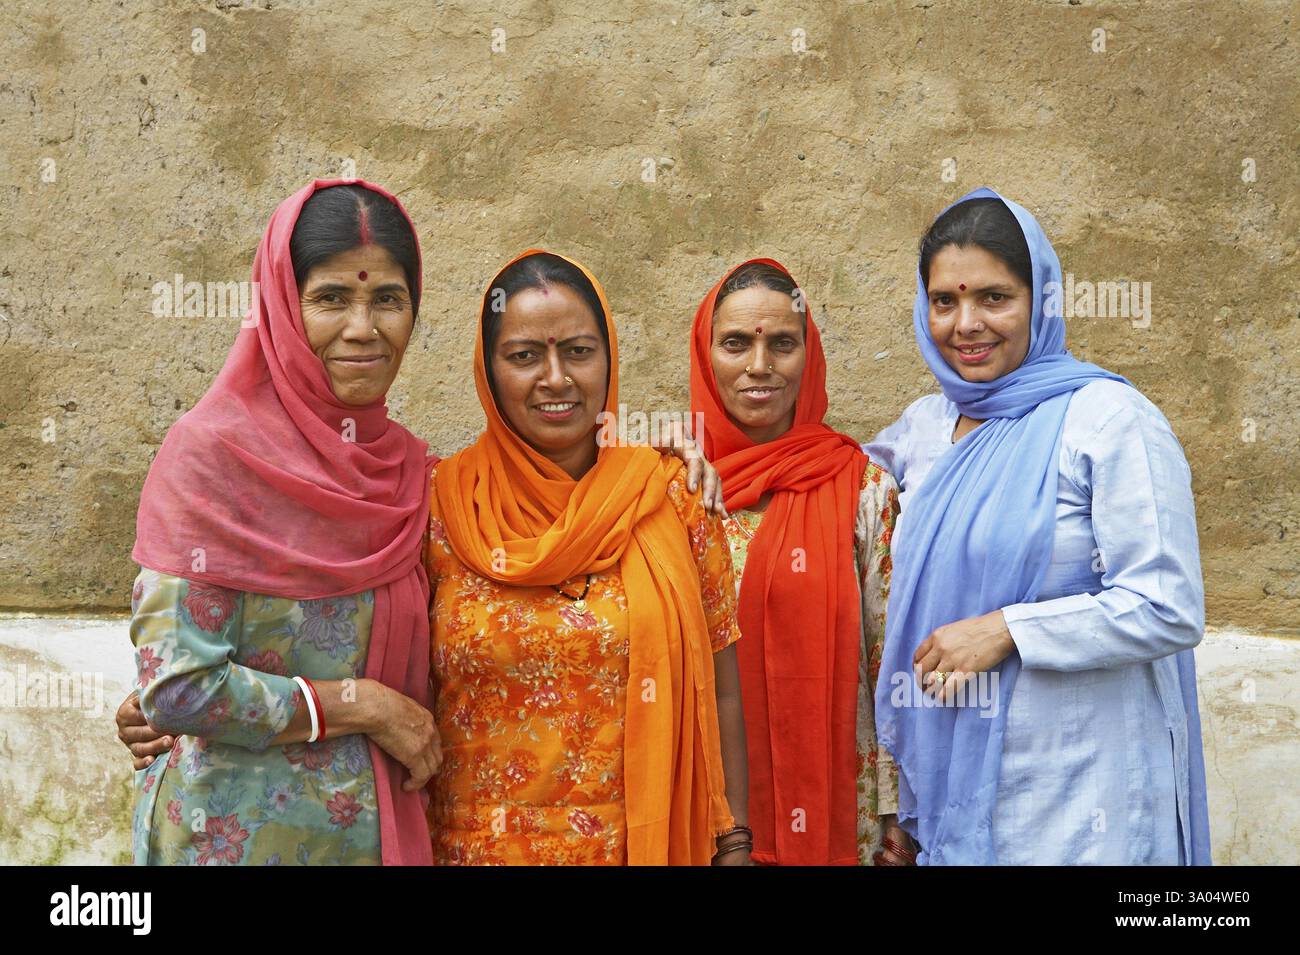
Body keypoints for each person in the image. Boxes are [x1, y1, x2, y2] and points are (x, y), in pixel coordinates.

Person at [866, 188, 1212, 865]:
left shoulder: (1110, 420)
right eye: (945, 301)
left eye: (994, 297)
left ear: (1042, 300)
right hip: (958, 797)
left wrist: (1007, 629)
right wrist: (694, 461)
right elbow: (823, 497)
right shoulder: (925, 430)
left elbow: (1168, 605)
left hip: (1086, 798)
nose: (966, 323)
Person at [124, 180, 441, 865]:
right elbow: (180, 686)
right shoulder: (211, 457)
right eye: (332, 298)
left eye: (388, 298)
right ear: (281, 306)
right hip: (228, 839)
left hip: (376, 839)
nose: (364, 328)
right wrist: (366, 705)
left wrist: (681, 460)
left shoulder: (407, 473)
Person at [425, 250, 750, 865]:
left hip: (640, 845)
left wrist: (734, 841)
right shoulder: (442, 507)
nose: (556, 378)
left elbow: (722, 688)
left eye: (578, 350)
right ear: (489, 371)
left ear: (609, 359)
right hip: (475, 849)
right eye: (524, 356)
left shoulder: (671, 496)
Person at [691, 258, 916, 866]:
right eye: (736, 343)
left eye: (782, 344)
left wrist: (902, 816)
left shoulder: (862, 490)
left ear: (808, 356)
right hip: (706, 813)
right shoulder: (673, 491)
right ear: (705, 356)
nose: (759, 366)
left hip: (845, 809)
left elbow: (890, 657)